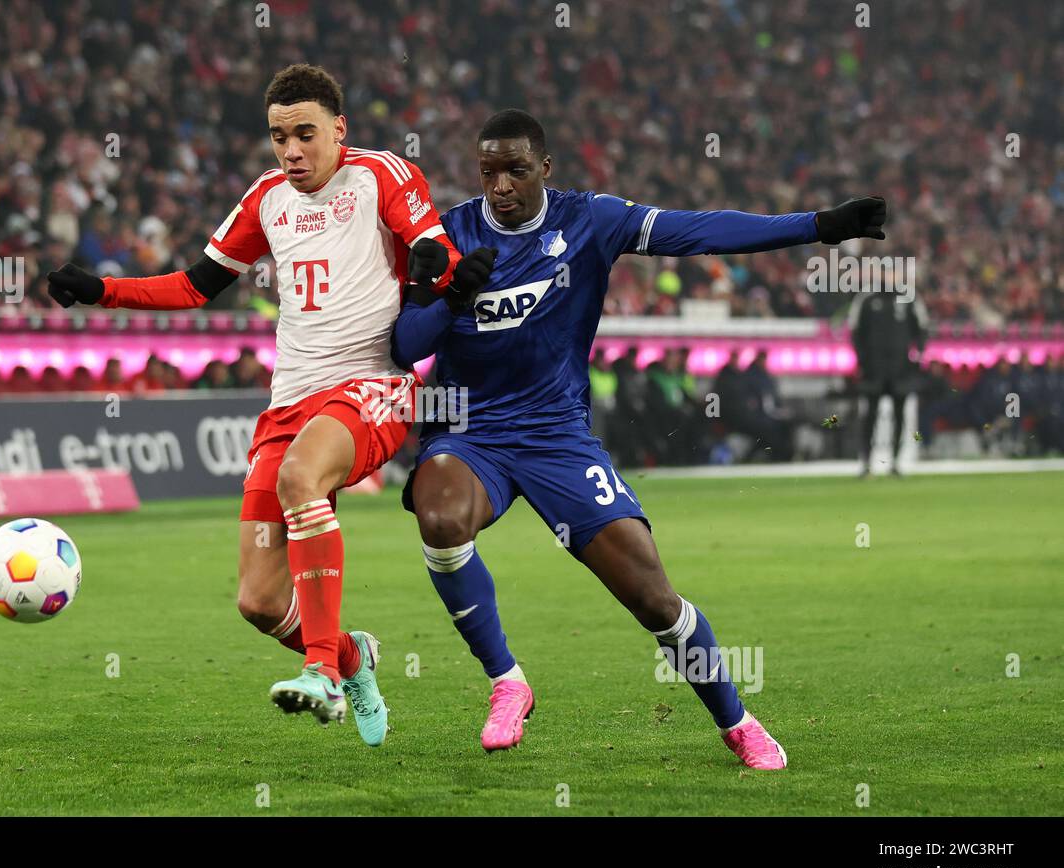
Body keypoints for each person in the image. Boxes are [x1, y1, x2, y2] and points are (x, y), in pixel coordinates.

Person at [391, 109, 887, 767]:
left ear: (545, 167)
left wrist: (818, 226)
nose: (500, 185)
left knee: (653, 596)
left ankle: (735, 719)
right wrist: (451, 295)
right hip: (469, 431)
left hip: (557, 436)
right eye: (488, 171)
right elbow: (402, 345)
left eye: (514, 169)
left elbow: (699, 230)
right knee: (441, 516)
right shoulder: (446, 233)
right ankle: (506, 679)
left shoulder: (590, 219)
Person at [44, 64, 483, 746]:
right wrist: (102, 290)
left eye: (305, 134)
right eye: (279, 136)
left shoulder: (380, 174)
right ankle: (351, 655)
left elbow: (429, 241)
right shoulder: (266, 199)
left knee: (301, 477)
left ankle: (321, 673)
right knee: (258, 600)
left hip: (371, 386)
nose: (292, 151)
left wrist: (440, 267)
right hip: (289, 405)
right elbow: (194, 286)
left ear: (340, 129)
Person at [847, 291, 928, 475]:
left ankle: (896, 461)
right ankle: (867, 462)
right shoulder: (866, 299)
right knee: (870, 415)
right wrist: (863, 362)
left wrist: (915, 361)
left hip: (900, 371)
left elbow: (922, 330)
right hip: (873, 371)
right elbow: (855, 331)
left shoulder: (910, 298)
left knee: (900, 416)